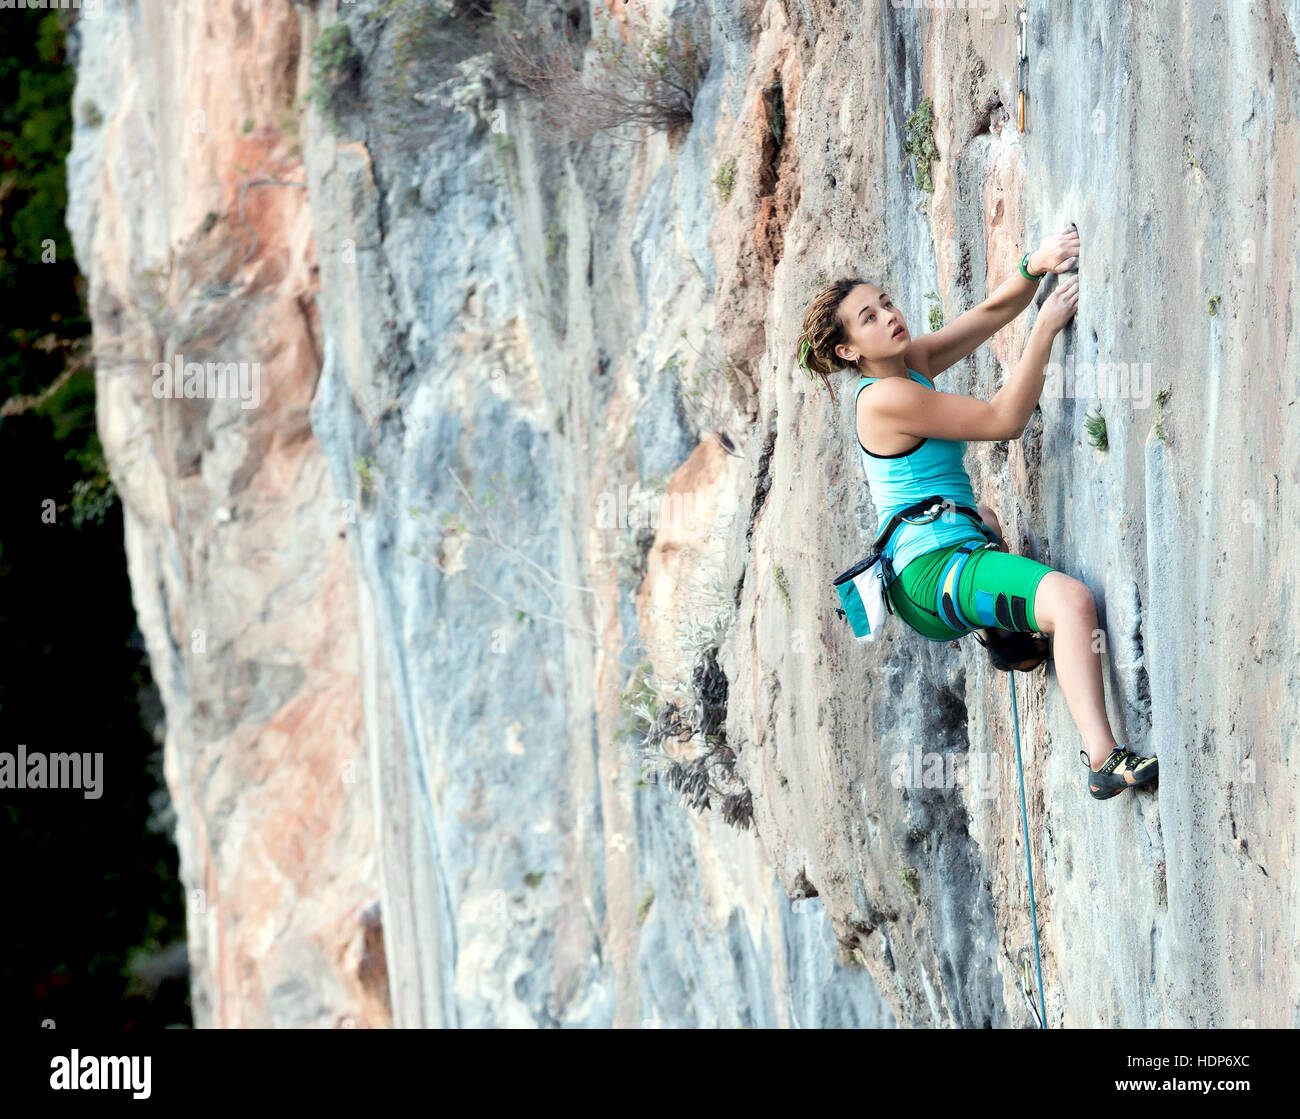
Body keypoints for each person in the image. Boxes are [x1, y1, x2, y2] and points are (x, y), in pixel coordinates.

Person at [796, 225, 1157, 802]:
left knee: (984, 513)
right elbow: (1001, 421)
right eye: (868, 318)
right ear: (848, 351)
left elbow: (987, 315)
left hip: (945, 549)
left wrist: (1033, 266)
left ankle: (1007, 631)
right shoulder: (887, 398)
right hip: (928, 572)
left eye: (885, 302)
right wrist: (1044, 328)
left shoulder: (907, 363)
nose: (889, 315)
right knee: (1071, 601)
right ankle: (1103, 759)